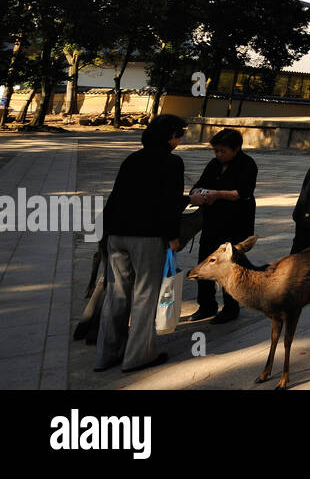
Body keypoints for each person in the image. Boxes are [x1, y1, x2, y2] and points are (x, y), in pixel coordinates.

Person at [95, 114, 186, 374]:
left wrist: (106, 233)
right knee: (145, 296)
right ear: (170, 136)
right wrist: (172, 235)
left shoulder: (132, 159)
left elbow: (116, 196)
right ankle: (138, 356)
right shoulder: (171, 162)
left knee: (116, 294)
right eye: (179, 135)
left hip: (117, 234)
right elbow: (169, 202)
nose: (179, 140)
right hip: (147, 237)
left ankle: (106, 355)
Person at [185, 128, 258, 324]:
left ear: (236, 149)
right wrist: (198, 192)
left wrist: (217, 194)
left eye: (222, 151)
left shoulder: (247, 165)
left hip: (236, 222)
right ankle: (206, 305)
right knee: (205, 262)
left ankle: (231, 307)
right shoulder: (214, 164)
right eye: (216, 151)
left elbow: (241, 192)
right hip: (212, 221)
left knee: (230, 268)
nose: (218, 155)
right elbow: (200, 184)